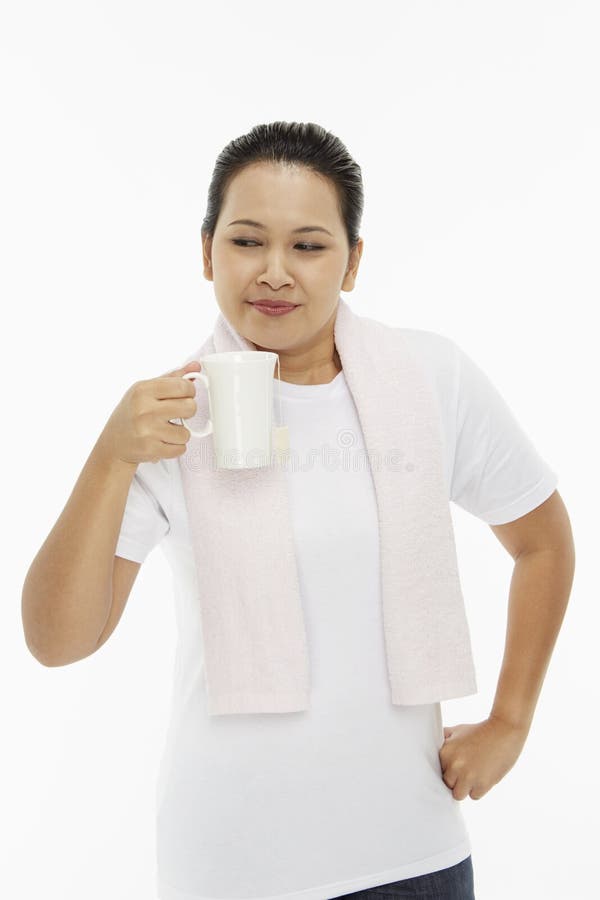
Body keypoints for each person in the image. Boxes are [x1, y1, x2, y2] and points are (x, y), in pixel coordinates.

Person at [22, 121, 575, 900]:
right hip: (230, 869)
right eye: (247, 241)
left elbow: (543, 539)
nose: (274, 272)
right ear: (206, 250)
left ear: (353, 261)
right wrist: (109, 457)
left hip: (412, 857)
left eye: (309, 246)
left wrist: (510, 722)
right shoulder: (171, 418)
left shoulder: (430, 378)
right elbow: (56, 642)